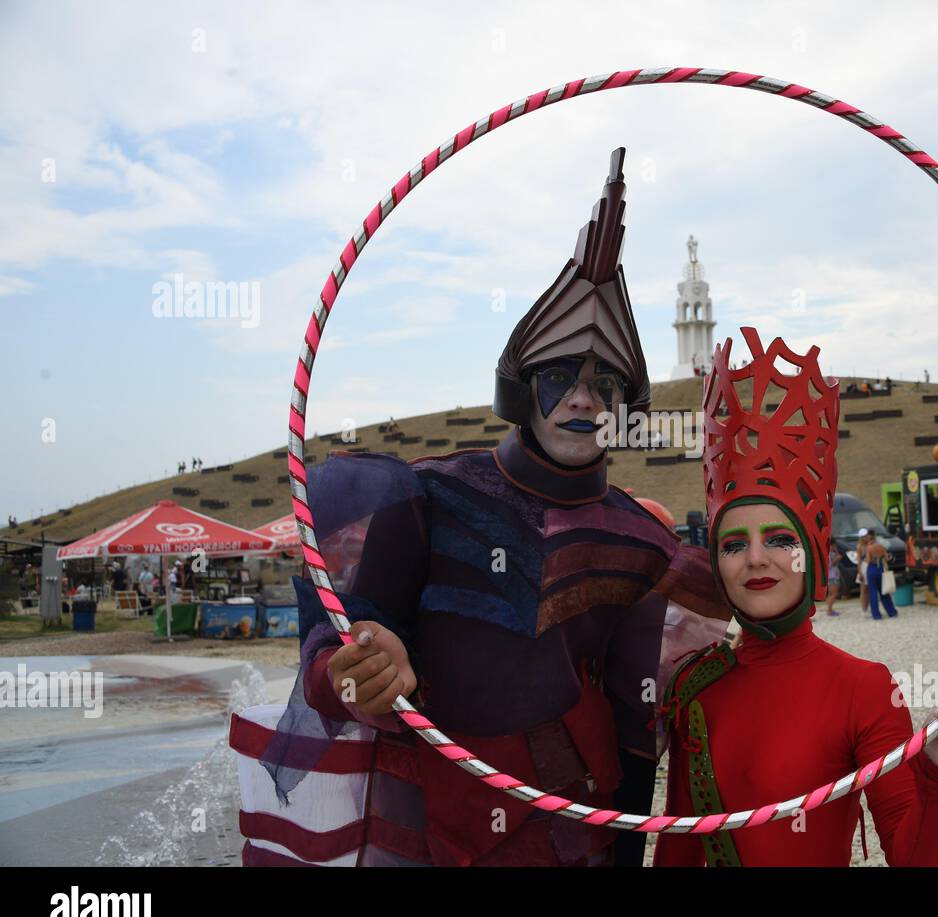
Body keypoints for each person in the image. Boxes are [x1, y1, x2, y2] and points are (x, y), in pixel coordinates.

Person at [253, 147, 732, 867]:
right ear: (520, 388)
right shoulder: (429, 495)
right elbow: (339, 639)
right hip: (438, 820)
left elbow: (639, 718)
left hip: (584, 824)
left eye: (604, 383)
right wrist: (353, 674)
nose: (581, 398)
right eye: (559, 378)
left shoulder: (640, 538)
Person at [654, 327, 938, 867]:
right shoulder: (696, 685)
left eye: (781, 539)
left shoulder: (863, 688)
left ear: (811, 554)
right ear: (716, 561)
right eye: (734, 544)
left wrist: (937, 773)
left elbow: (912, 857)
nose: (756, 559)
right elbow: (678, 850)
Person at [857, 529, 897, 620]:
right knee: (884, 591)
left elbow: (868, 560)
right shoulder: (880, 546)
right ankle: (892, 612)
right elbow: (887, 557)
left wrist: (861, 571)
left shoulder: (868, 548)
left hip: (871, 568)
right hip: (880, 568)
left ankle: (876, 615)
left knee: (873, 592)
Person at [825, 541, 843, 616]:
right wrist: (837, 559)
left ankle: (830, 609)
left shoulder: (832, 553)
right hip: (832, 576)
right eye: (833, 546)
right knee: (833, 594)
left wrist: (836, 550)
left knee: (831, 594)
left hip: (833, 575)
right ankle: (829, 610)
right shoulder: (827, 554)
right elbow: (830, 565)